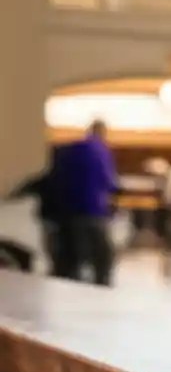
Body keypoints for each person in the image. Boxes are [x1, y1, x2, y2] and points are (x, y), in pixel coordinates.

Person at [56, 120, 118, 286]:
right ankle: (101, 285)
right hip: (95, 209)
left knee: (77, 252)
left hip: (71, 210)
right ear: (103, 132)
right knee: (103, 254)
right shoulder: (102, 151)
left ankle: (75, 283)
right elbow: (109, 181)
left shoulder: (73, 149)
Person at [7, 149, 66, 277]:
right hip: (54, 221)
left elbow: (20, 192)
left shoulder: (45, 180)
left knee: (54, 251)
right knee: (56, 251)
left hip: (49, 220)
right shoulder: (62, 182)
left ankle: (56, 271)